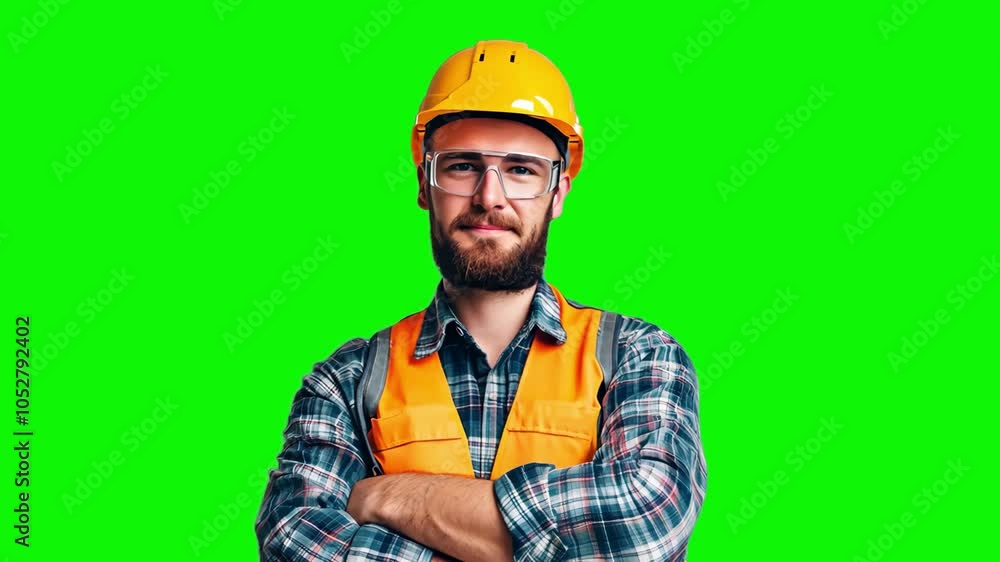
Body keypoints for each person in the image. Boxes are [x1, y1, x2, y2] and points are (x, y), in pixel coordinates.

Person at [255, 39, 708, 561]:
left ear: (558, 192)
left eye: (521, 169)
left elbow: (644, 527)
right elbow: (293, 539)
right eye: (463, 166)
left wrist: (390, 497)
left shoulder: (639, 356)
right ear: (426, 184)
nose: (490, 197)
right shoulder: (347, 380)